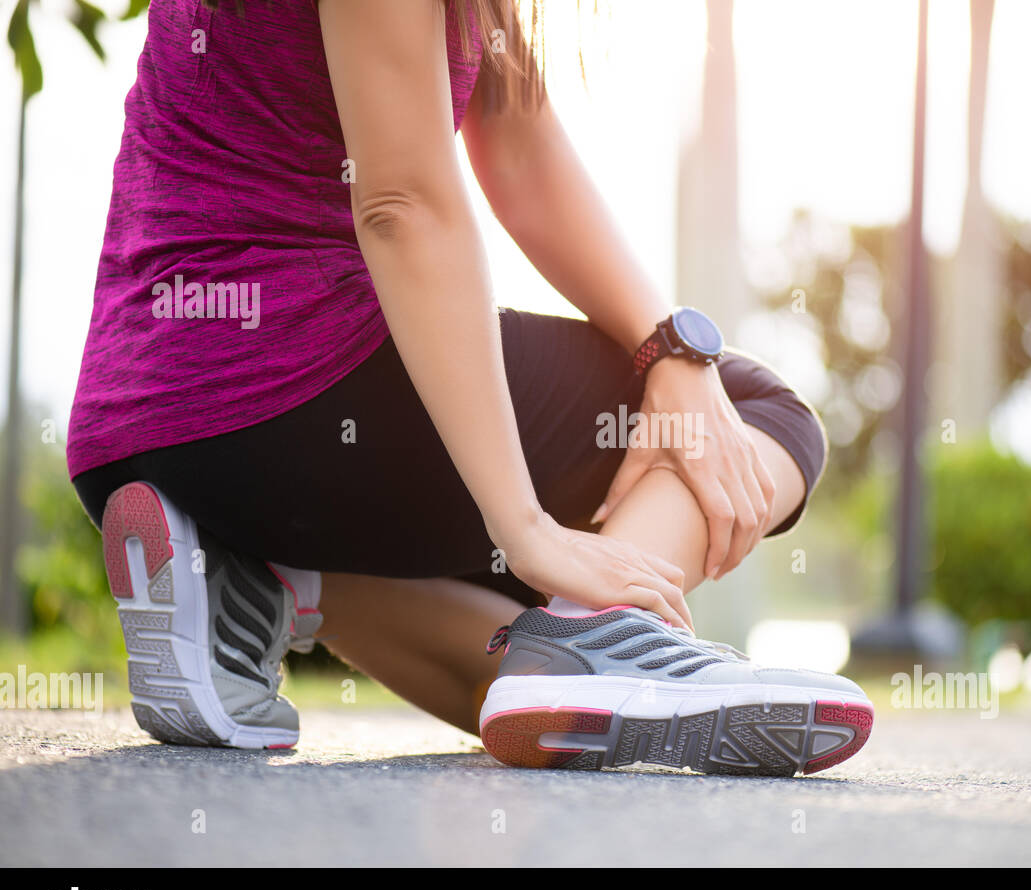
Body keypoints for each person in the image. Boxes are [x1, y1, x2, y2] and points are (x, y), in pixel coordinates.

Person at [67, 0, 873, 775]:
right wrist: (525, 527)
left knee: (531, 666)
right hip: (291, 384)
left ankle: (266, 583)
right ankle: (595, 636)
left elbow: (518, 146)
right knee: (765, 415)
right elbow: (401, 203)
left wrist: (668, 351)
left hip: (145, 421)